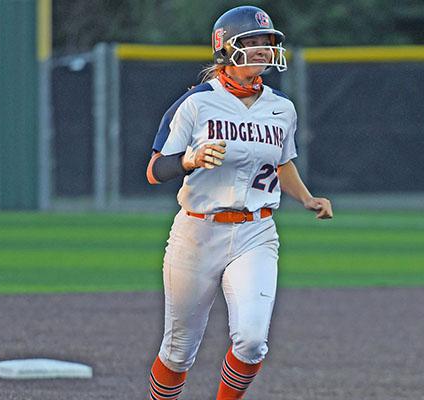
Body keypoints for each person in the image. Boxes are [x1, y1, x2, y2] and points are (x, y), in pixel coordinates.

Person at [144, 5, 333, 400]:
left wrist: (307, 197)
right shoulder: (196, 103)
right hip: (197, 232)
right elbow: (155, 170)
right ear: (225, 48)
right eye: (253, 41)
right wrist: (190, 159)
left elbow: (282, 164)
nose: (264, 48)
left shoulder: (282, 108)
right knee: (178, 352)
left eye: (268, 41)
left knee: (251, 341)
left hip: (255, 232)